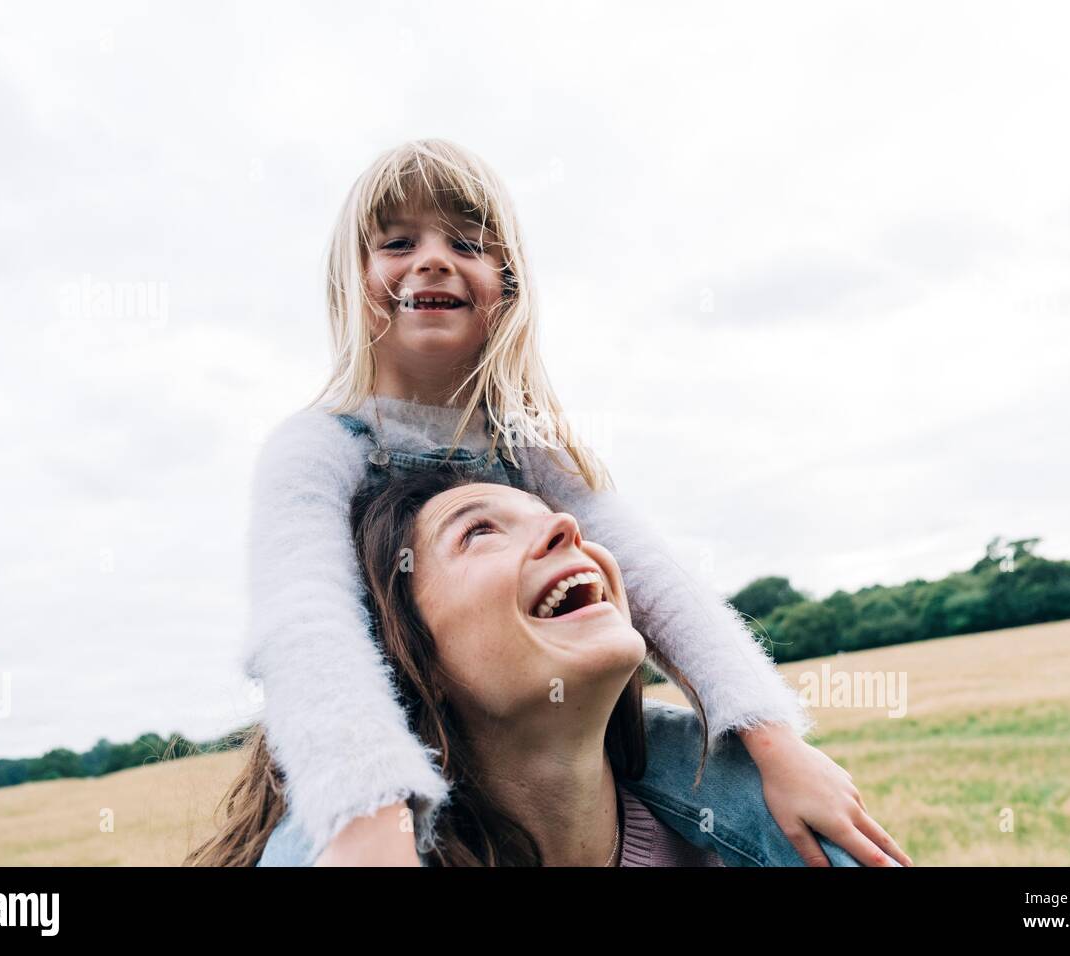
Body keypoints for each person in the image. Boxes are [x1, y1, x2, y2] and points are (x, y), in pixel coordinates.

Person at [230, 138, 911, 868]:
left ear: (509, 285)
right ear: (351, 283)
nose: (432, 259)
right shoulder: (317, 444)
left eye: (467, 242)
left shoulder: (533, 445)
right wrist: (366, 807)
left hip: (558, 737)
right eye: (398, 242)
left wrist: (776, 742)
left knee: (763, 790)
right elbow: (304, 622)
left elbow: (651, 581)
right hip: (380, 746)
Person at [191, 469, 891, 866]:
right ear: (406, 658)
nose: (569, 530)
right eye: (480, 531)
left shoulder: (748, 826)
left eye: (553, 516)